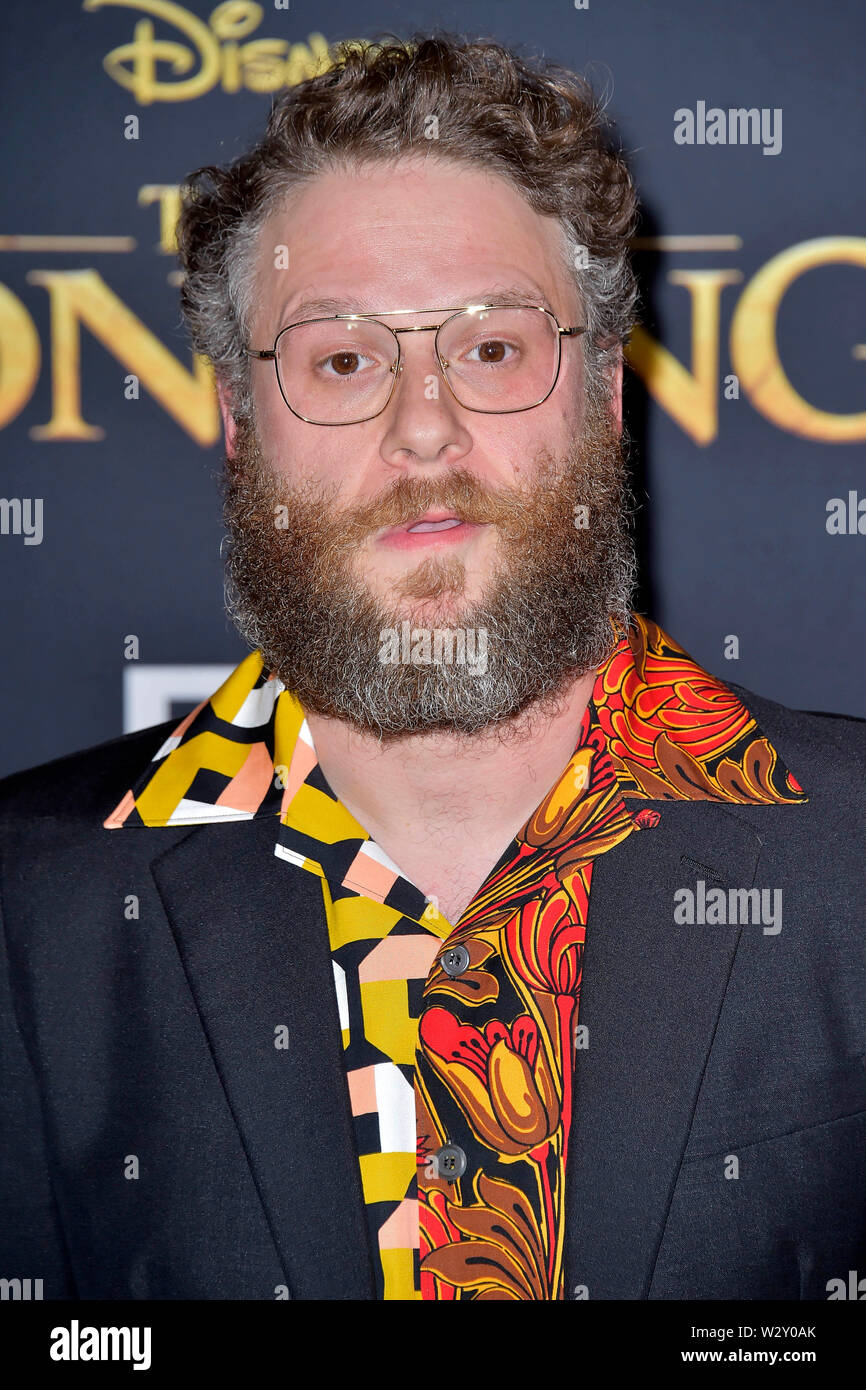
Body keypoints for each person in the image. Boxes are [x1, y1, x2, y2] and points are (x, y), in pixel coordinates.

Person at [1, 34, 863, 1303]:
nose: (423, 427)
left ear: (606, 403)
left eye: (492, 348)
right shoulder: (27, 919)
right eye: (342, 359)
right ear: (240, 429)